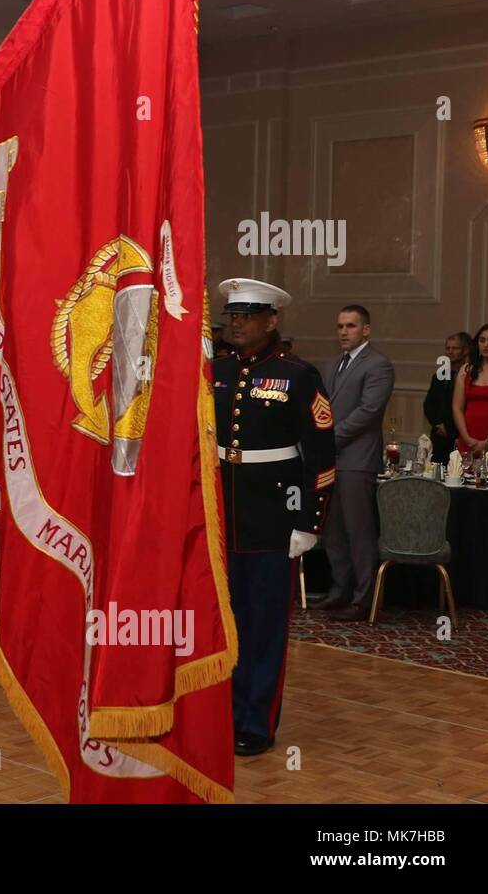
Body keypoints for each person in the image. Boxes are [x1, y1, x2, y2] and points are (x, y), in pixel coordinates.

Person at [213, 278, 336, 756]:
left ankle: (255, 722)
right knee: (225, 621)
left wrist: (309, 522)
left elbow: (322, 456)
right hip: (223, 513)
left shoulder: (297, 375)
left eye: (247, 316)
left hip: (274, 518)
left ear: (272, 320)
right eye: (232, 315)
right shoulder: (216, 370)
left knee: (264, 625)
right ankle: (221, 711)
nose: (237, 323)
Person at [316, 304, 395, 621]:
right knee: (333, 530)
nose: (343, 332)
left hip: (357, 459)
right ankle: (340, 592)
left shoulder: (379, 365)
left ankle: (363, 599)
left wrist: (329, 437)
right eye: (339, 326)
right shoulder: (332, 364)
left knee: (358, 530)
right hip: (331, 459)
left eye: (350, 326)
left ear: (366, 330)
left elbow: (368, 411)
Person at [424, 332, 470, 463]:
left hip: (459, 436)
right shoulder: (439, 375)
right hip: (439, 439)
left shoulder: (470, 375)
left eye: (455, 348)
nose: (450, 351)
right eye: (448, 348)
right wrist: (438, 424)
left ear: (464, 350)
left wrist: (449, 428)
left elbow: (465, 407)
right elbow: (428, 405)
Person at [452, 324, 488, 455]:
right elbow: (457, 408)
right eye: (482, 340)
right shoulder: (466, 370)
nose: (486, 345)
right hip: (469, 438)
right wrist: (467, 438)